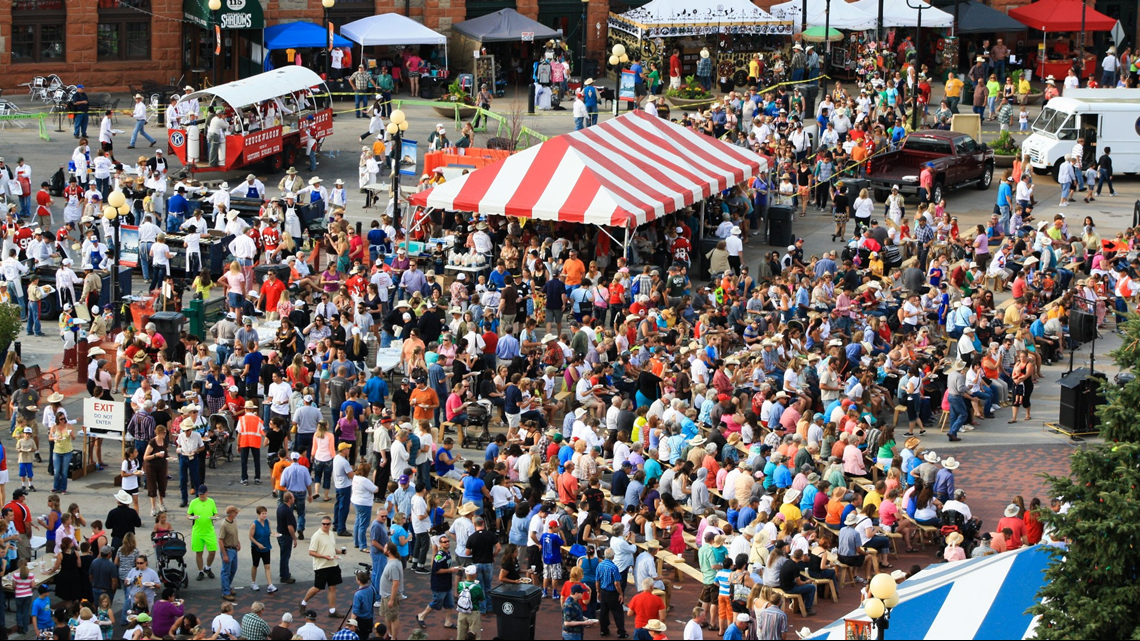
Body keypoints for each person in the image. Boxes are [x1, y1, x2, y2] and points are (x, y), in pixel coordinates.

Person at [301, 516, 342, 617]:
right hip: (321, 566)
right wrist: (324, 556)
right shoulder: (316, 536)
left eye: (328, 524)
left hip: (333, 564)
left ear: (330, 524)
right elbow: (311, 552)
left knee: (332, 588)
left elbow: (331, 547)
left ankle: (332, 611)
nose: (325, 526)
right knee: (317, 587)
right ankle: (303, 603)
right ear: (321, 524)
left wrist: (339, 552)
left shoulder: (331, 534)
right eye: (324, 524)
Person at [187, 484, 218, 581]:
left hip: (209, 531)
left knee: (212, 551)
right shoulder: (194, 502)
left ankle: (207, 567)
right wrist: (191, 517)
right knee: (199, 552)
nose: (201, 496)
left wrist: (214, 517)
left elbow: (215, 513)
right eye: (199, 494)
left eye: (202, 494)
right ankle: (200, 571)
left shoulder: (211, 502)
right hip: (197, 531)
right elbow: (188, 514)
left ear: (207, 493)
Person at [249, 505, 277, 593]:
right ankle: (253, 582)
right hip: (256, 548)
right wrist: (257, 544)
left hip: (266, 546)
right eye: (262, 514)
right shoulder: (254, 524)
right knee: (255, 565)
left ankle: (270, 584)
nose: (264, 515)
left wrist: (273, 534)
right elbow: (250, 536)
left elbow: (269, 532)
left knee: (267, 566)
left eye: (265, 513)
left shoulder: (268, 522)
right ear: (258, 514)